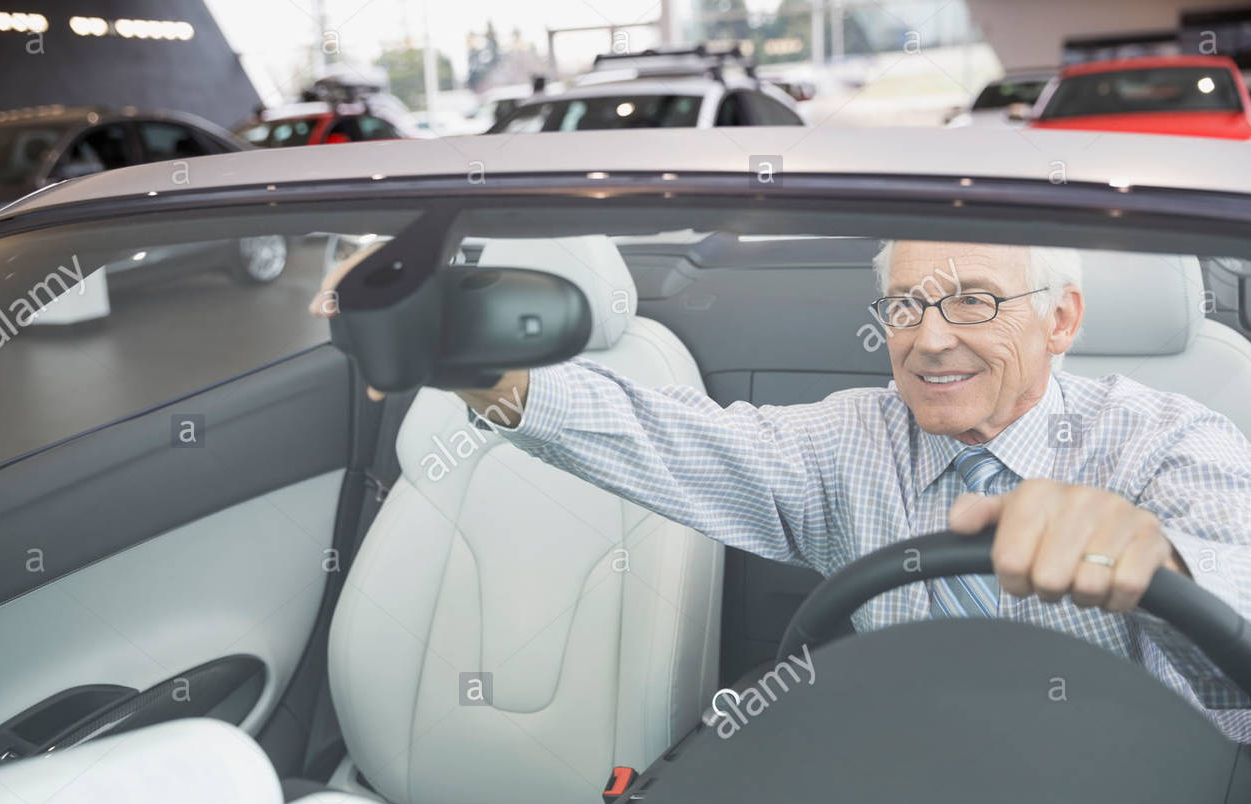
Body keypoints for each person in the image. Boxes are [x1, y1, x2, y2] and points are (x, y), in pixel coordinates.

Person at [323, 239, 1251, 741]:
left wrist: (1153, 562)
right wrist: (478, 368)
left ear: (1063, 320)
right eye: (906, 306)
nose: (929, 340)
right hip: (906, 792)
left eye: (973, 301)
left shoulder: (1170, 438)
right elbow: (668, 439)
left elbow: (1238, 617)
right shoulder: (854, 436)